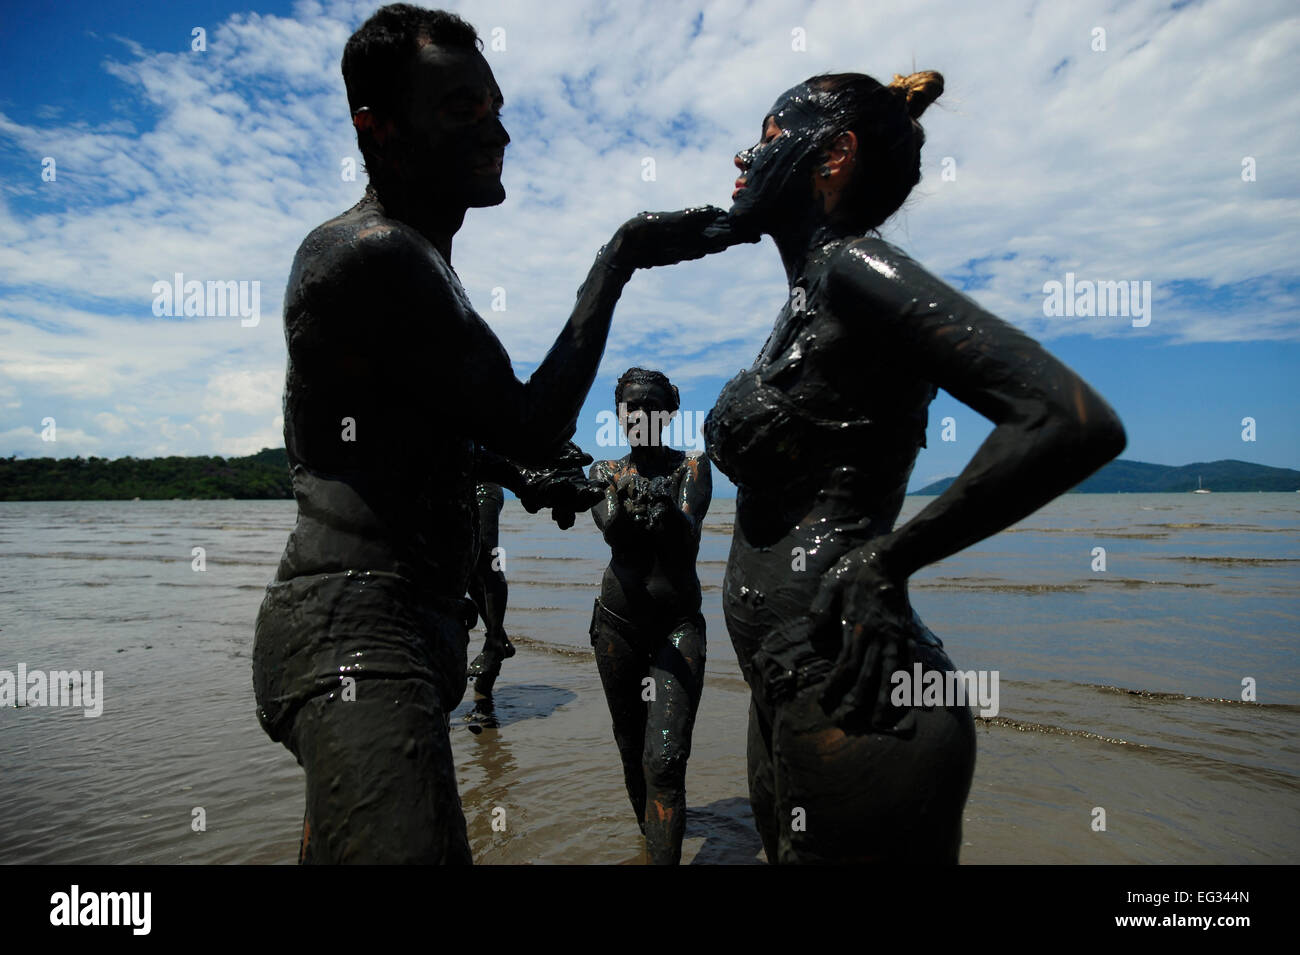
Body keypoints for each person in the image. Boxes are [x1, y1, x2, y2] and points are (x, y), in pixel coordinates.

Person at [251, 3, 751, 864]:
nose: (498, 132)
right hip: (357, 636)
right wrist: (621, 256)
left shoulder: (419, 263)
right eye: (460, 110)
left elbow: (440, 444)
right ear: (378, 128)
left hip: (402, 634)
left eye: (494, 107)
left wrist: (529, 479)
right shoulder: (371, 252)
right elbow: (525, 421)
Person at [661, 70, 1126, 863]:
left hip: (860, 700)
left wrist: (890, 557)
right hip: (789, 688)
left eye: (767, 140)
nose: (741, 159)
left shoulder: (854, 269)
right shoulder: (808, 298)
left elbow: (1070, 418)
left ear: (833, 155)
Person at [587, 369, 712, 864]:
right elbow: (613, 528)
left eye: (652, 406)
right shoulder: (604, 472)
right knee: (630, 746)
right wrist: (630, 502)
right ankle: (653, 842)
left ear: (671, 411)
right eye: (632, 406)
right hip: (616, 626)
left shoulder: (694, 468)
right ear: (619, 414)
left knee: (665, 757)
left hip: (677, 630)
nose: (641, 415)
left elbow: (686, 535)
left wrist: (664, 510)